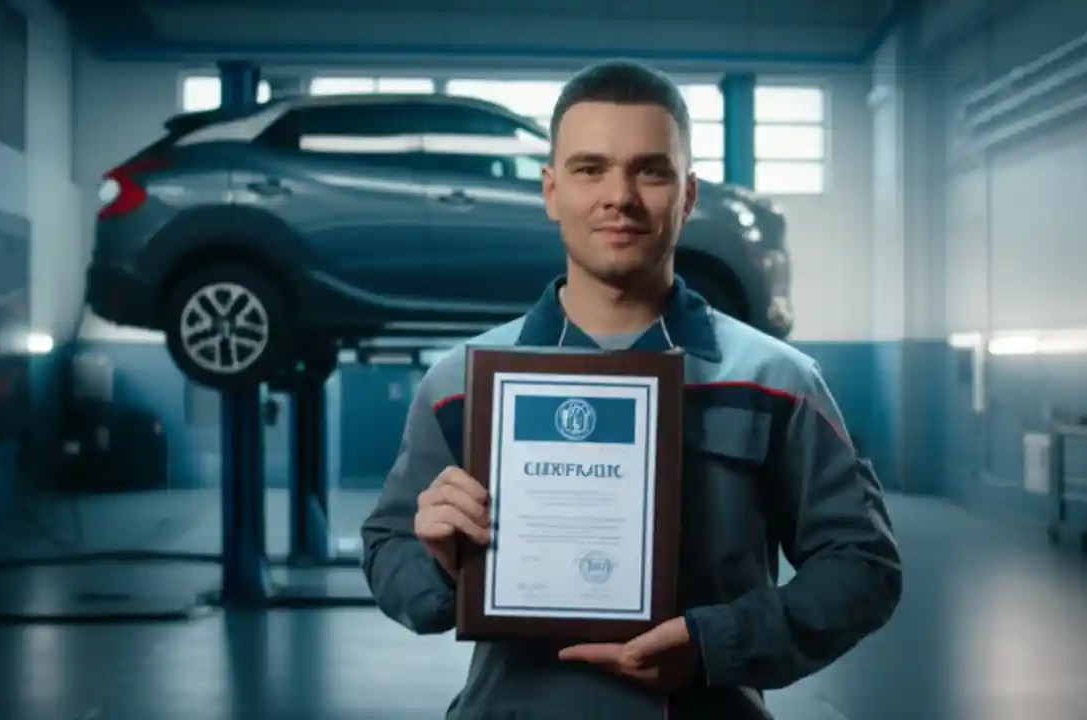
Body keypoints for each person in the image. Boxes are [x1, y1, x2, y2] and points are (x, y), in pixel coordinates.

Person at [361, 59, 903, 720]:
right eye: (591, 169)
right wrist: (435, 562)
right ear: (551, 191)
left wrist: (712, 645)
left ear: (689, 195)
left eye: (651, 170)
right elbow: (388, 544)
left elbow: (863, 565)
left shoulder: (775, 381)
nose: (620, 196)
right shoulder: (464, 382)